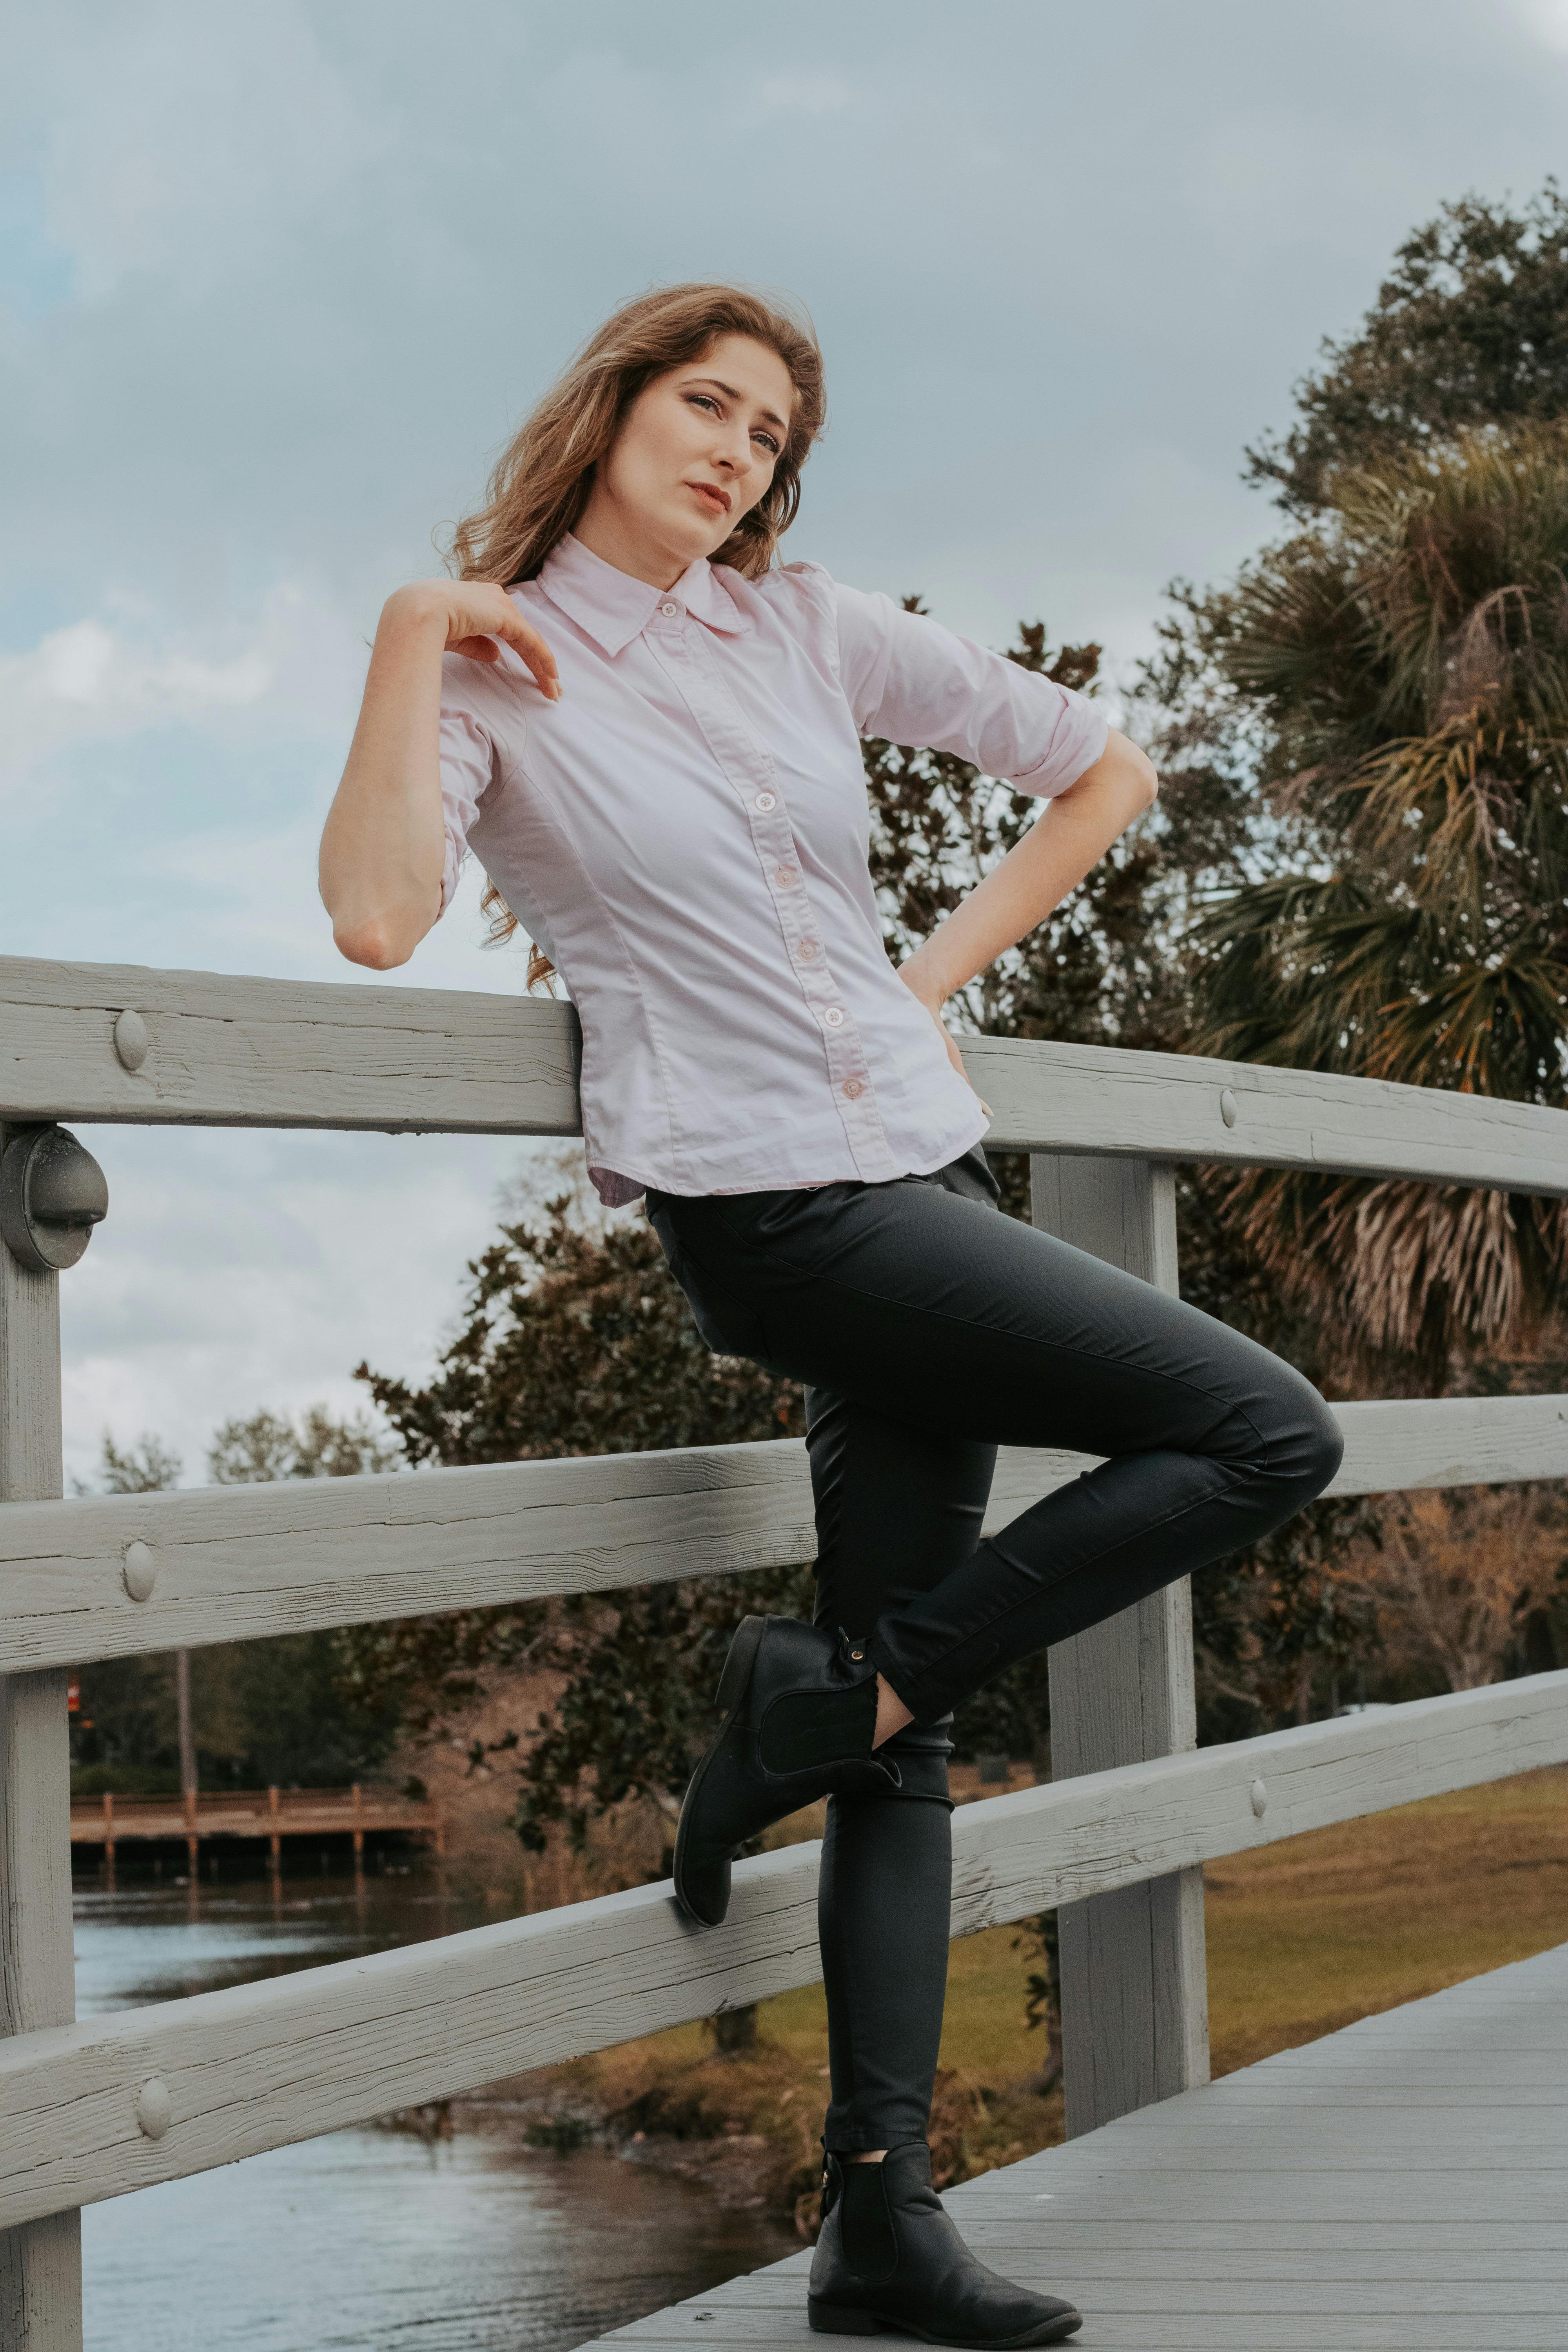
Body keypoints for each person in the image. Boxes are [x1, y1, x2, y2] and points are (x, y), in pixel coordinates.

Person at [319, 281, 1344, 2350]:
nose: (736, 452)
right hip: (773, 1208)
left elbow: (1102, 767)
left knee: (910, 1724)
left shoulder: (802, 627)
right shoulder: (496, 662)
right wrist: (413, 629)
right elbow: (371, 914)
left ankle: (877, 2213)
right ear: (612, 407)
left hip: (920, 1157)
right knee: (1269, 1432)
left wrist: (929, 980)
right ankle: (819, 1705)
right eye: (706, 405)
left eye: (771, 432)